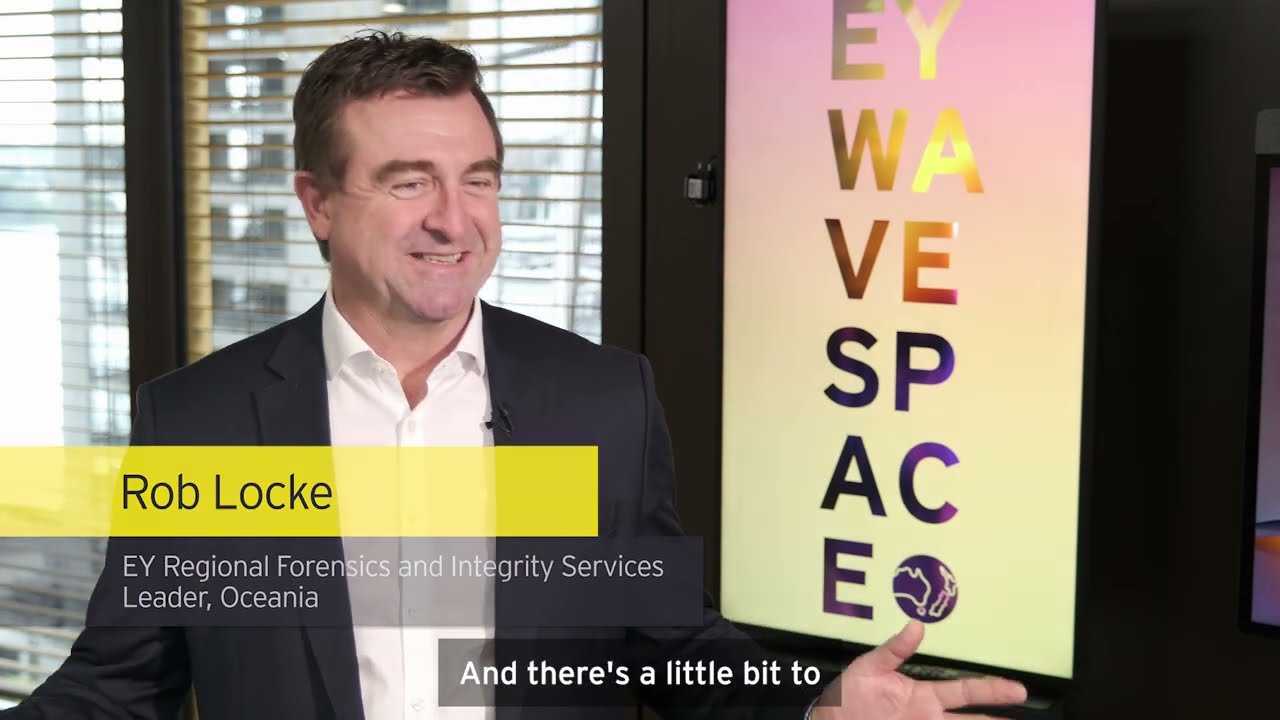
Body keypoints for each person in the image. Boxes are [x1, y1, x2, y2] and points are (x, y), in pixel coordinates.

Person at [2, 32, 1027, 720]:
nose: (454, 219)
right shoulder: (205, 420)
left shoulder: (601, 401)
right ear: (317, 203)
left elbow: (672, 645)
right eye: (409, 182)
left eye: (478, 178)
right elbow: (118, 684)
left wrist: (814, 703)